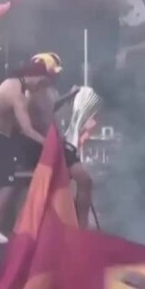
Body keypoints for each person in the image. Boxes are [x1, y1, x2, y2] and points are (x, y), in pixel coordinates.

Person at [0, 55, 58, 243]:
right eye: (41, 84)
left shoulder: (11, 83)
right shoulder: (18, 95)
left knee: (7, 183)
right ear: (36, 78)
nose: (39, 89)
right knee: (7, 183)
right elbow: (27, 130)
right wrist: (50, 144)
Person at [23, 55, 93, 228]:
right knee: (64, 185)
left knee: (85, 180)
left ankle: (82, 227)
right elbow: (30, 120)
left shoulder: (51, 90)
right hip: (40, 147)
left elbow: (51, 107)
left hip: (57, 144)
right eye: (53, 73)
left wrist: (69, 96)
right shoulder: (29, 93)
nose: (56, 76)